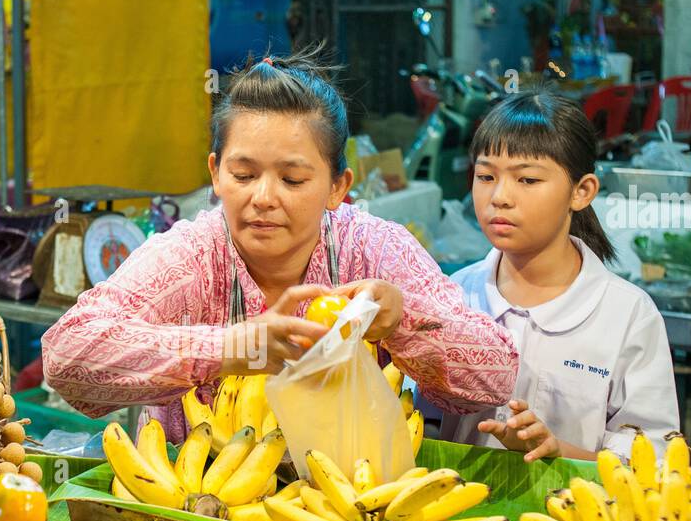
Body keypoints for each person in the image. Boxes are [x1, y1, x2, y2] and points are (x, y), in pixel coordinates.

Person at [41, 48, 519, 442]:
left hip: (350, 510)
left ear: (337, 185)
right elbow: (65, 358)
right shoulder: (190, 256)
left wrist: (402, 321)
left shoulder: (373, 248)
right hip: (198, 503)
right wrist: (235, 347)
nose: (263, 198)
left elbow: (494, 376)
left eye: (292, 179)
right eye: (243, 175)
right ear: (215, 174)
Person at [426, 91, 679, 462]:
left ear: (582, 191)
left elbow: (651, 458)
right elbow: (423, 419)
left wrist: (558, 451)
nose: (499, 196)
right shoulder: (452, 296)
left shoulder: (628, 315)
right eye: (485, 176)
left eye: (527, 180)